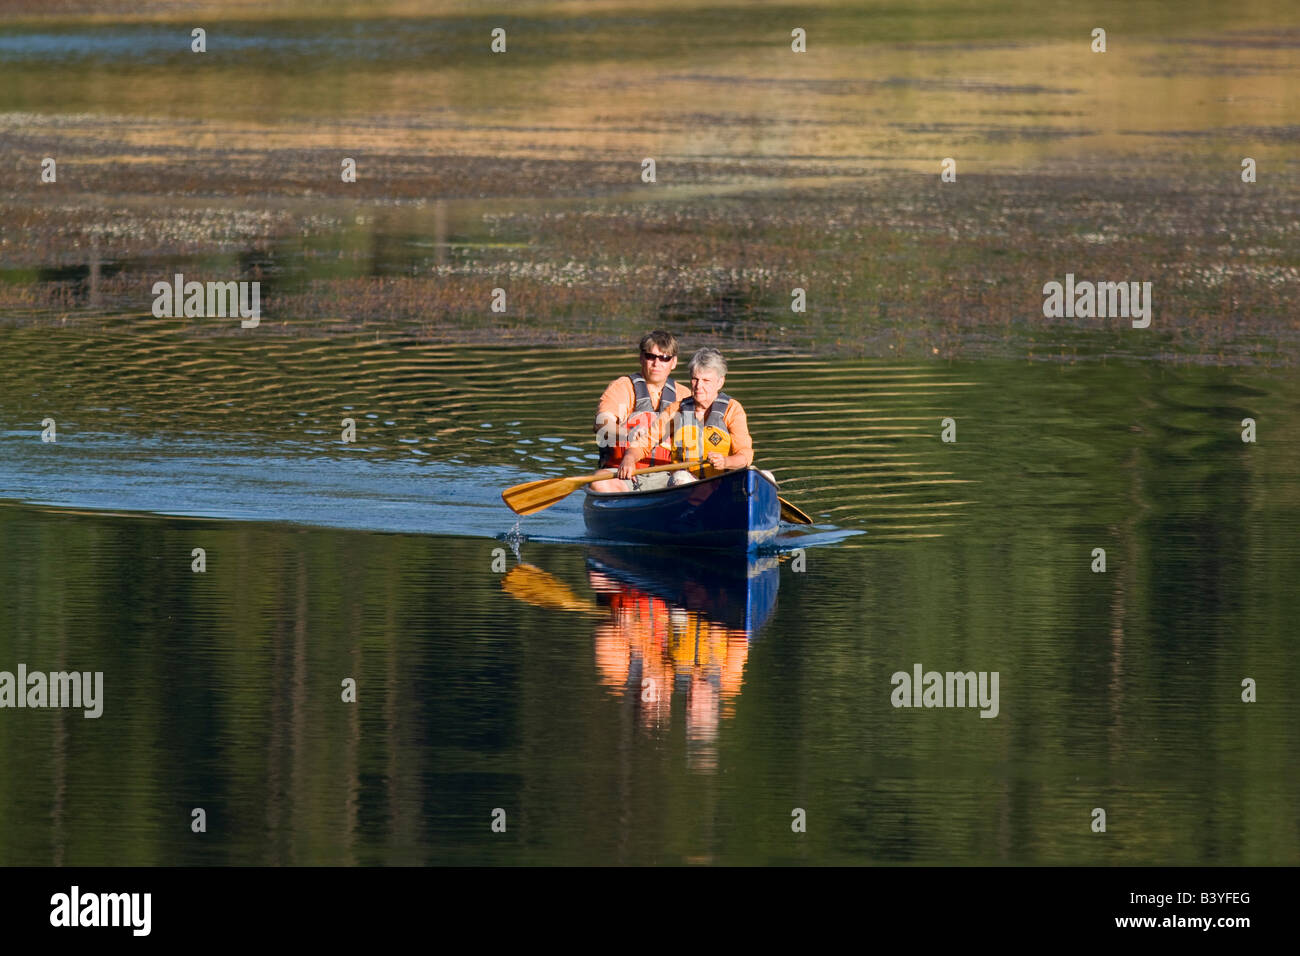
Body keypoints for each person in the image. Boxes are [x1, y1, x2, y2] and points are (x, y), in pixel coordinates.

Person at [590, 331, 681, 493]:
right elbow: (602, 424)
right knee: (599, 484)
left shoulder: (684, 395)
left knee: (689, 482)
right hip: (622, 474)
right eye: (650, 357)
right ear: (641, 358)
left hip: (667, 477)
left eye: (664, 358)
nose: (656, 363)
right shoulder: (622, 387)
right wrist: (628, 434)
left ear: (673, 362)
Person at [659, 348, 754, 486]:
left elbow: (745, 456)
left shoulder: (733, 410)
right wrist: (630, 458)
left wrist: (725, 462)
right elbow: (646, 441)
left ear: (720, 382)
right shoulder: (676, 410)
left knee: (765, 476)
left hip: (723, 483)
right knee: (681, 477)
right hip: (687, 484)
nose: (699, 386)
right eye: (695, 379)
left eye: (706, 380)